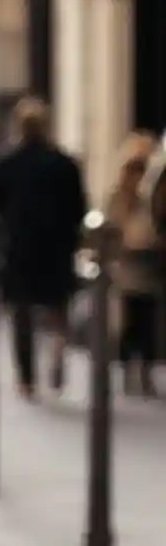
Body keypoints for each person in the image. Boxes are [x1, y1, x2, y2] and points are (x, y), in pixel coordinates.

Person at [0, 97, 88, 399]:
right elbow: (79, 208)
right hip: (56, 247)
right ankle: (57, 349)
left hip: (18, 248)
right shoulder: (65, 164)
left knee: (21, 314)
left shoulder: (3, 164)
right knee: (58, 307)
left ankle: (26, 378)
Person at [105, 132, 164, 396]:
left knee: (148, 320)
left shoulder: (153, 194)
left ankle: (145, 371)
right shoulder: (119, 196)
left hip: (149, 262)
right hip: (127, 265)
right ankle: (129, 369)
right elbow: (111, 226)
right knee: (129, 321)